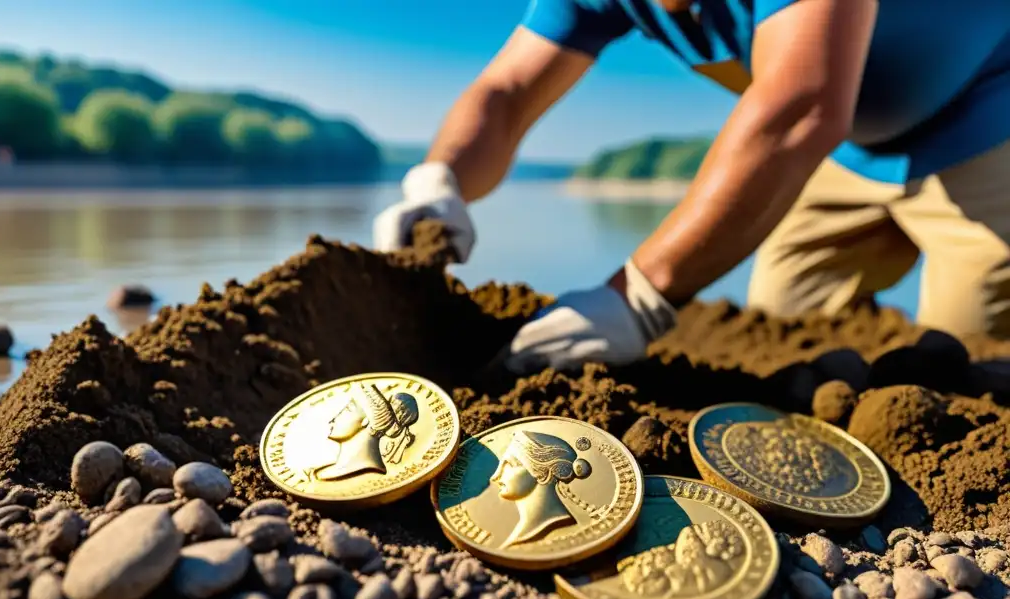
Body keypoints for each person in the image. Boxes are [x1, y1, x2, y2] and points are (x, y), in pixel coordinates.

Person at [373, 0, 1010, 373]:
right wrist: (439, 179)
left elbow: (803, 106)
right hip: (845, 152)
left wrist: (638, 295)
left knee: (968, 358)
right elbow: (507, 92)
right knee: (785, 328)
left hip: (986, 122)